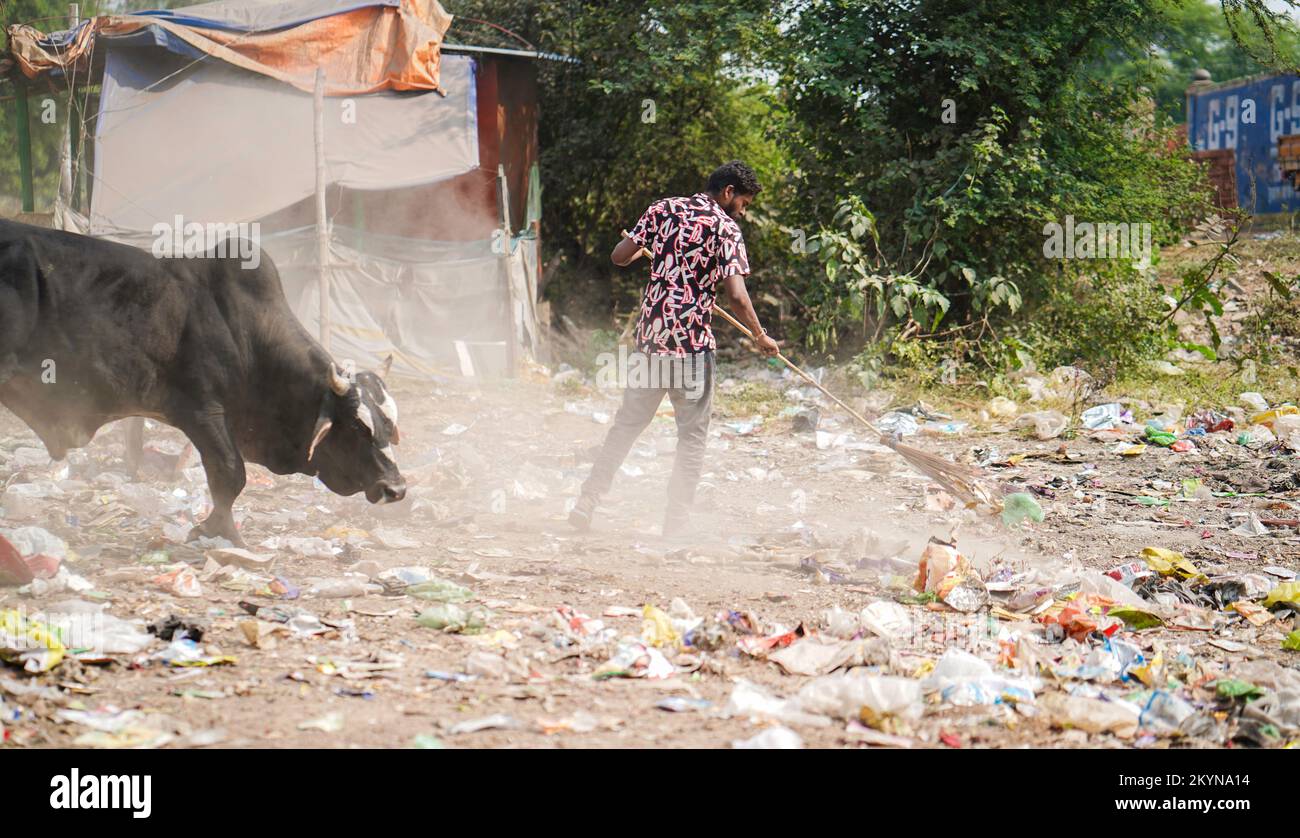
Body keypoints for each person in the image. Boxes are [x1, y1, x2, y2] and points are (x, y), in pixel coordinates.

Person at [569, 160, 779, 538]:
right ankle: (674, 526)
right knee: (692, 440)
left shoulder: (662, 209)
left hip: (650, 345)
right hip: (692, 351)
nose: (743, 212)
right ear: (728, 193)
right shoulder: (725, 228)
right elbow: (736, 295)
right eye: (744, 203)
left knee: (625, 429)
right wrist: (760, 335)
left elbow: (619, 256)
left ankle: (586, 503)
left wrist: (642, 253)